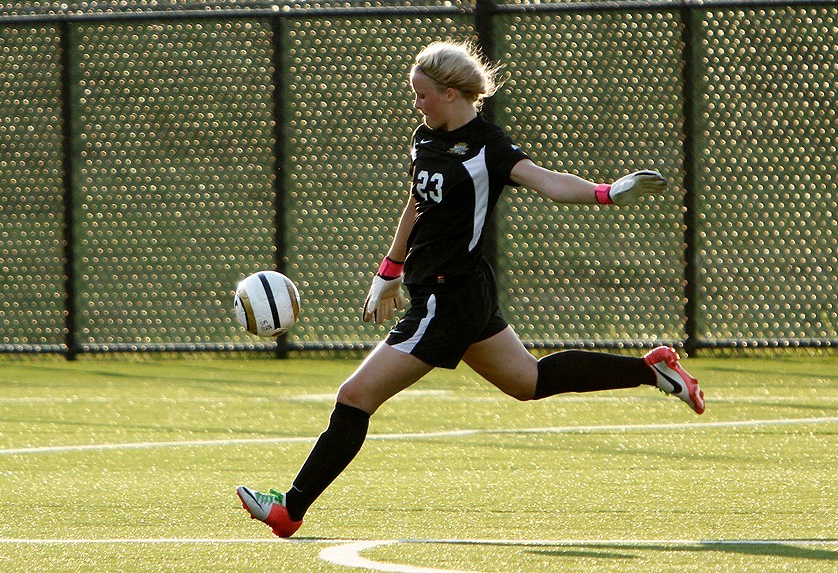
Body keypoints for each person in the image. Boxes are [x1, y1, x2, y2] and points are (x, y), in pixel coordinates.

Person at [237, 40, 705, 538]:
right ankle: (652, 372)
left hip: (450, 296)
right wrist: (390, 270)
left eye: (423, 95)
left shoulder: (489, 146)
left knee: (355, 396)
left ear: (454, 94)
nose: (417, 104)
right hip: (445, 290)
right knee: (529, 382)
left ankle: (291, 507)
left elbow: (546, 181)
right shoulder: (424, 138)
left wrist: (606, 192)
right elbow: (417, 206)